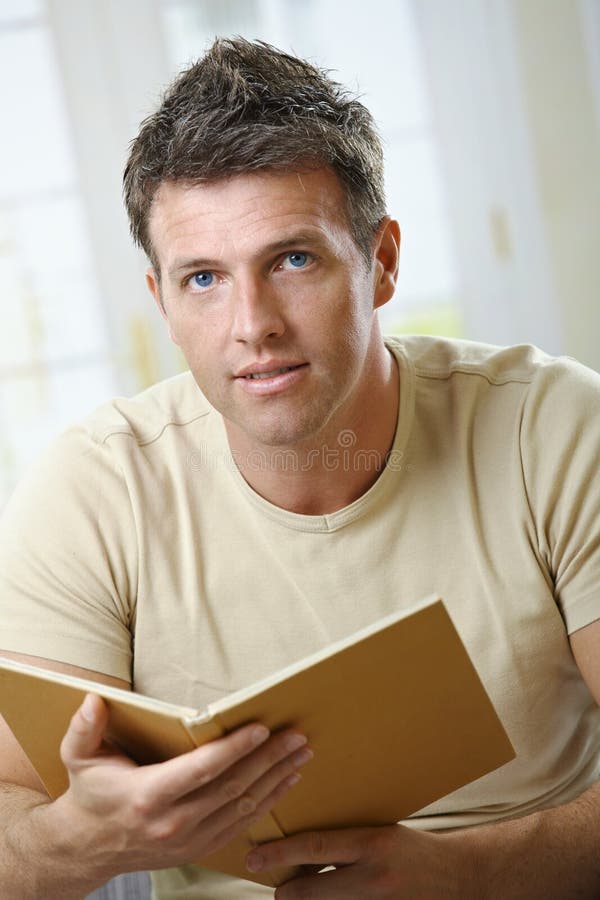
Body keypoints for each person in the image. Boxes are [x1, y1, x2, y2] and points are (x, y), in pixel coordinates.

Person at [1, 36, 599, 900]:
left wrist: (468, 874)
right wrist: (81, 840)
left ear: (381, 262)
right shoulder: (95, 489)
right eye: (203, 279)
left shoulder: (554, 428)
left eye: (292, 259)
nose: (253, 324)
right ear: (161, 301)